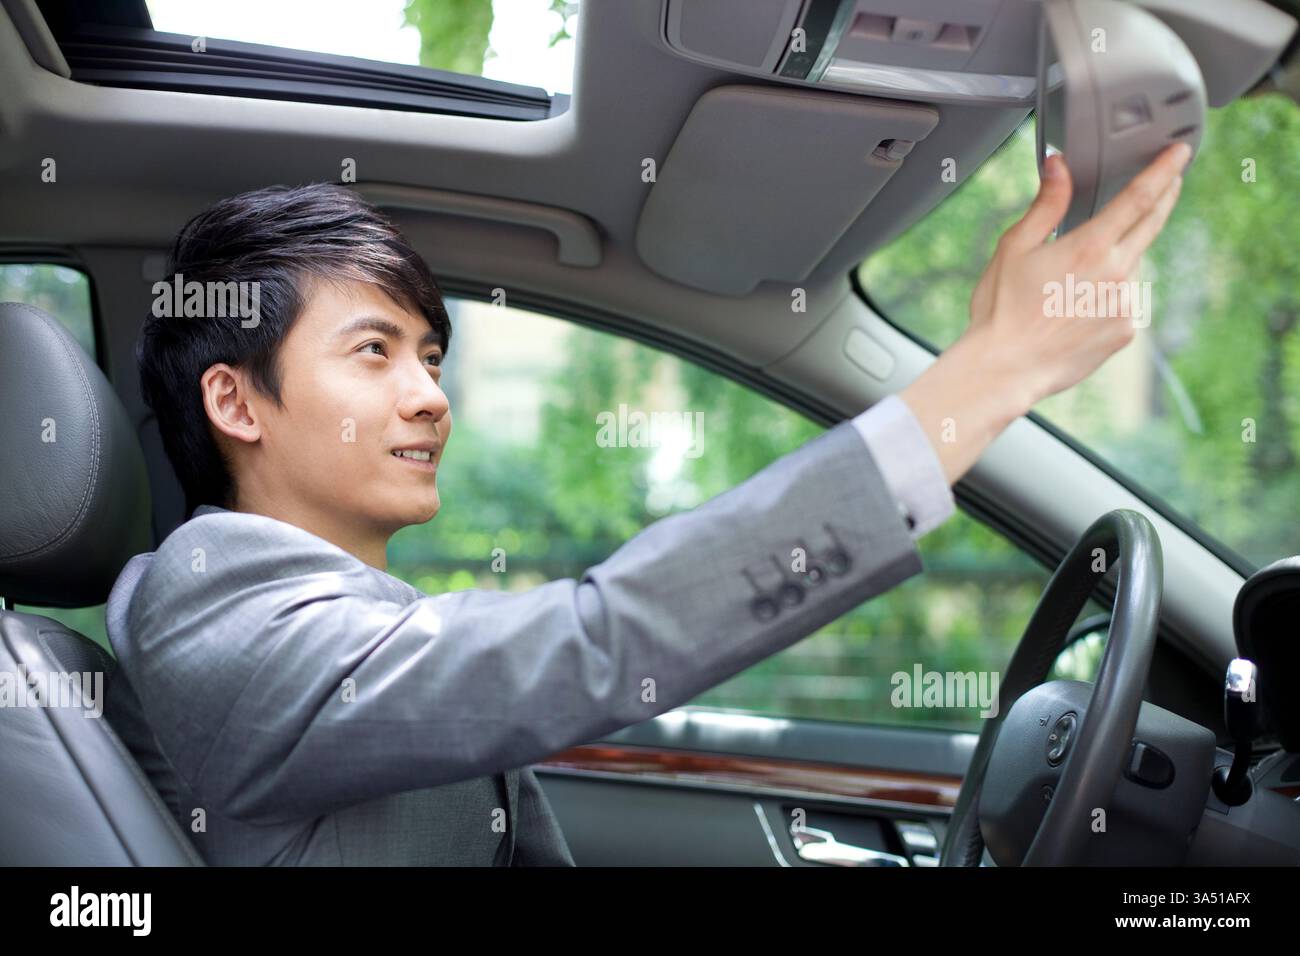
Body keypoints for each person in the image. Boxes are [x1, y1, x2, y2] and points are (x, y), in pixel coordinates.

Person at [104, 143, 1192, 865]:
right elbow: (593, 637)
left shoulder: (337, 609)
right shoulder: (214, 616)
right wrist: (993, 372)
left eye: (431, 354)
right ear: (235, 400)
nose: (431, 393)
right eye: (375, 351)